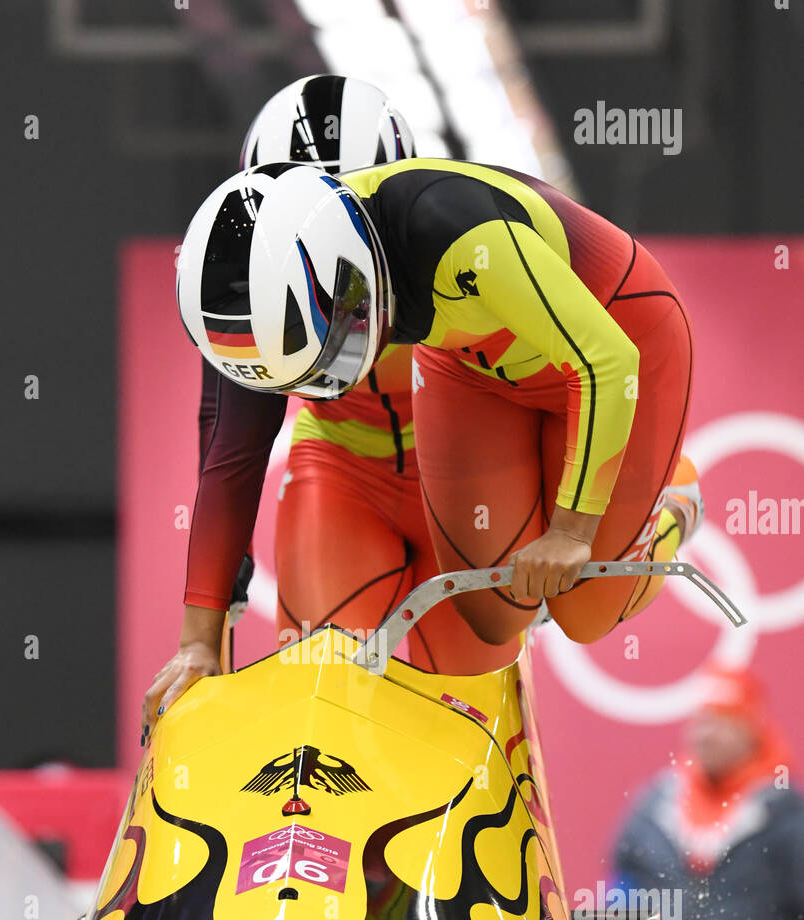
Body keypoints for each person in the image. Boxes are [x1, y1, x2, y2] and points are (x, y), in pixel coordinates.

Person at [161, 154, 703, 732]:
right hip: (474, 363)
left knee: (586, 609)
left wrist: (573, 530)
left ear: (350, 276)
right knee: (492, 615)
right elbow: (231, 465)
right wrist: (197, 642)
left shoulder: (457, 233)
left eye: (331, 358)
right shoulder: (245, 319)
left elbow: (605, 360)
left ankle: (676, 502)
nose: (328, 390)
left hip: (621, 339)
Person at [143, 77, 523, 743]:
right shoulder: (243, 271)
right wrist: (197, 639)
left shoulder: (462, 239)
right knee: (323, 706)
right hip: (343, 481)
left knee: (474, 721)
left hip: (464, 489)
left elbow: (568, 374)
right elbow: (230, 451)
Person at [612, 667, 804, 920]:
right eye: (701, 722)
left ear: (749, 730)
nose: (706, 735)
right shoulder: (656, 806)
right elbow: (624, 887)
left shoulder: (785, 815)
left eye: (721, 723)